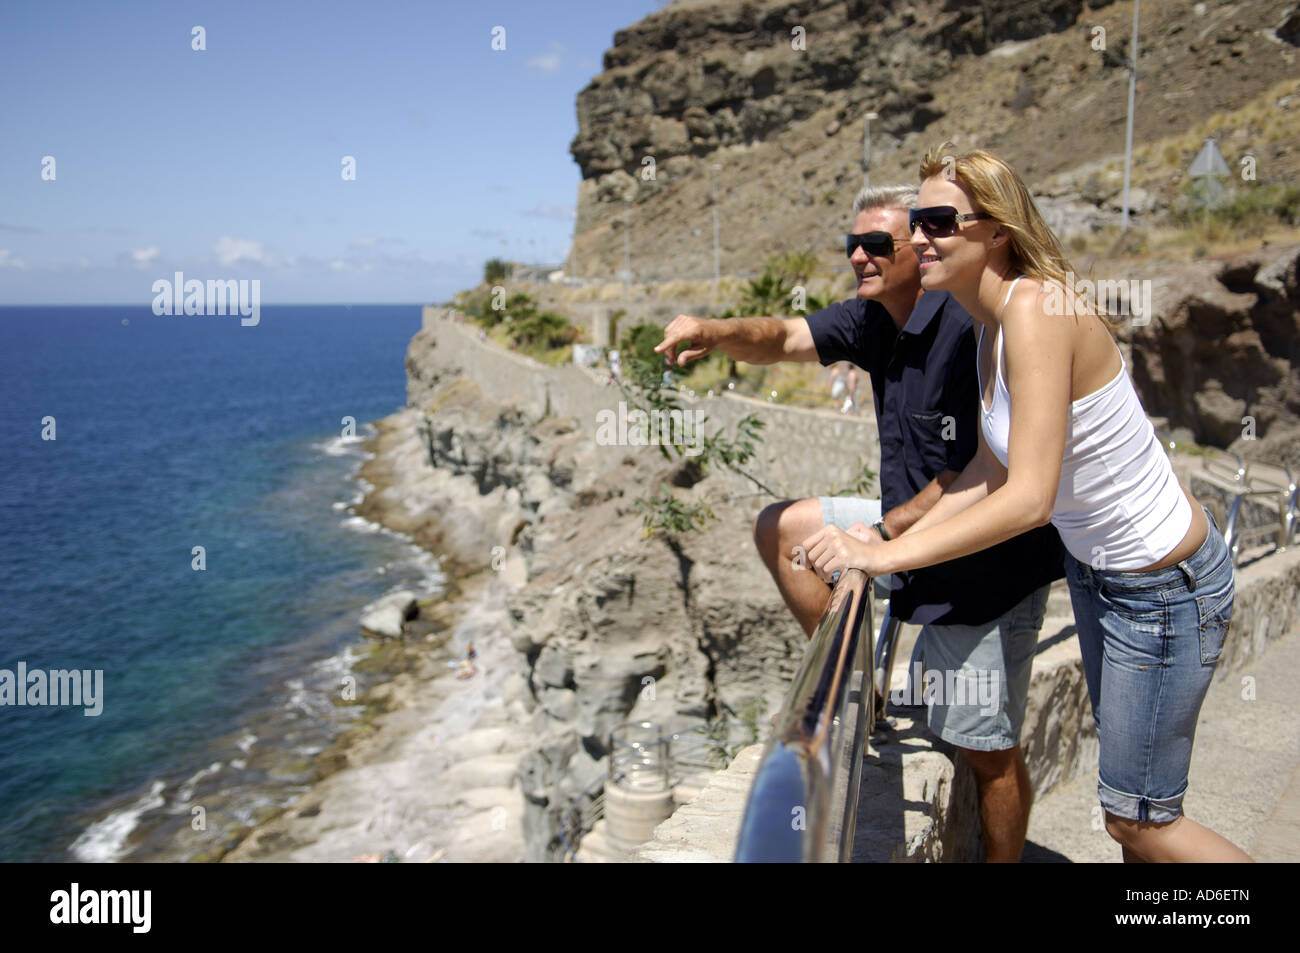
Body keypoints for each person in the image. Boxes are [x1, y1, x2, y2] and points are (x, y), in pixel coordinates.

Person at [802, 143, 1252, 862]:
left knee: (1143, 821)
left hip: (1163, 587)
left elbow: (1028, 498)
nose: (919, 236)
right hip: (1104, 580)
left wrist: (879, 554)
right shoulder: (992, 325)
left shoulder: (1039, 309)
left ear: (998, 229)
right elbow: (987, 463)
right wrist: (881, 538)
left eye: (940, 220)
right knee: (1133, 803)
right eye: (916, 220)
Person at [655, 184, 1066, 862]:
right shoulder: (873, 318)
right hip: (909, 526)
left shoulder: (967, 325)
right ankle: (861, 692)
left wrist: (880, 537)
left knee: (983, 744)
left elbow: (977, 469)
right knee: (781, 529)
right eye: (851, 243)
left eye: (877, 244)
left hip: (988, 554)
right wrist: (713, 332)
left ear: (918, 248)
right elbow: (783, 336)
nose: (858, 256)